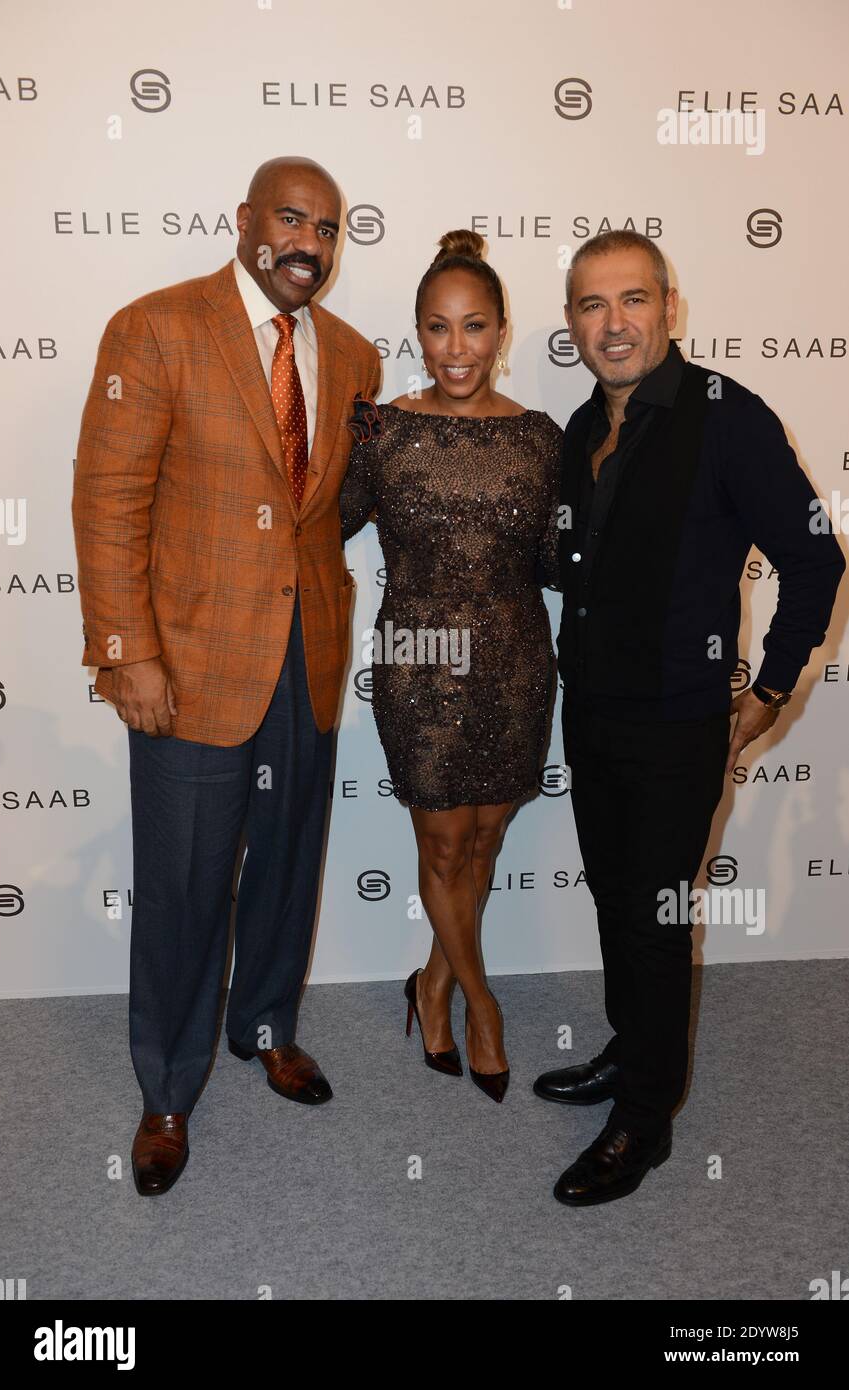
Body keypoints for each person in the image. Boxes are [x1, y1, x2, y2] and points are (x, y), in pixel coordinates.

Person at [72, 156, 381, 1196]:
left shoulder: (353, 357)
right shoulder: (155, 327)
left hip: (308, 654)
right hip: (190, 664)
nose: (309, 241)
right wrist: (129, 654)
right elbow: (108, 502)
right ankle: (166, 1088)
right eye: (291, 219)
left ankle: (265, 1026)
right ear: (245, 221)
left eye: (328, 227)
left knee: (288, 861)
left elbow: (331, 510)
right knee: (184, 885)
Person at [534, 230, 845, 1205]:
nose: (613, 323)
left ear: (669, 307)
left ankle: (645, 1120)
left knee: (656, 918)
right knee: (614, 899)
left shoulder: (727, 417)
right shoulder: (584, 425)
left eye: (632, 300)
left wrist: (767, 693)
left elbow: (816, 562)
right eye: (592, 305)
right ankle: (633, 1053)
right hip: (589, 710)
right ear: (573, 323)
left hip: (676, 723)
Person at [340, 229, 564, 1103]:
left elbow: (554, 563)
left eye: (474, 327)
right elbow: (324, 527)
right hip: (417, 661)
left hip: (514, 661)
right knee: (441, 840)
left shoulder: (543, 440)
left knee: (484, 837)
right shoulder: (384, 431)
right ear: (418, 333)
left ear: (502, 332)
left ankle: (431, 982)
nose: (456, 348)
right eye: (438, 328)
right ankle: (483, 1004)